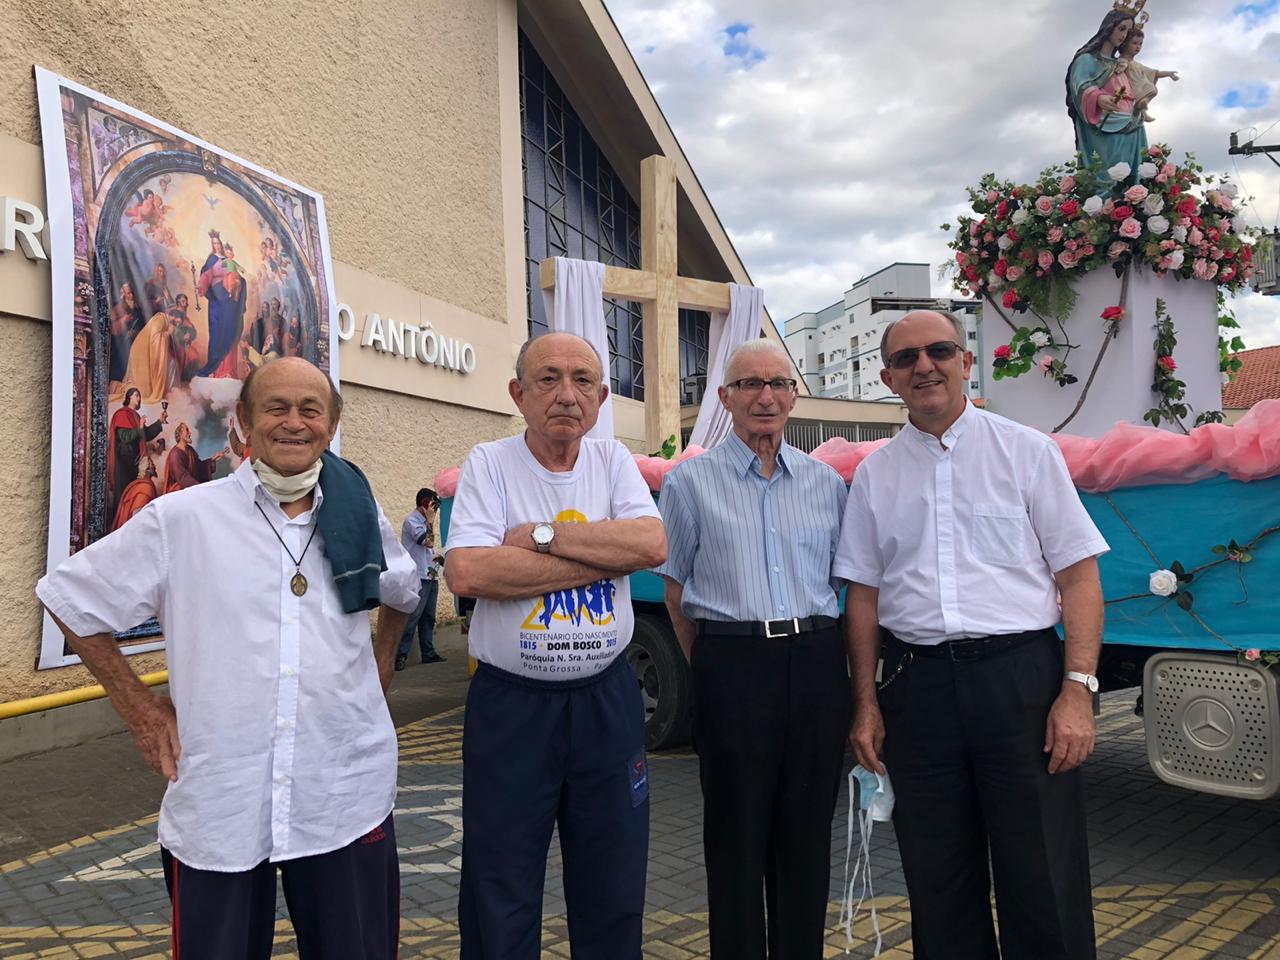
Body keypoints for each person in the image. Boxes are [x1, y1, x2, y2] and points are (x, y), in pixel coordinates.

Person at [37, 357, 420, 960]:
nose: (294, 422)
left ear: (332, 422)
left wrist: (384, 659)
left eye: (310, 409)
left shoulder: (358, 511)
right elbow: (69, 598)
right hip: (223, 799)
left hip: (342, 789)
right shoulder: (182, 518)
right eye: (276, 407)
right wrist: (139, 710)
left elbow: (404, 589)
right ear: (243, 420)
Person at [835, 310, 1108, 960]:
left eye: (938, 351)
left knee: (1042, 872)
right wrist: (866, 704)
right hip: (918, 688)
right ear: (888, 379)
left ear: (965, 361)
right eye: (906, 358)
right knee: (938, 876)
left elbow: (1078, 579)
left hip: (1020, 682)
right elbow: (863, 598)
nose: (924, 366)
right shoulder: (875, 474)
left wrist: (1077, 691)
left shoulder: (1027, 452)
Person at [444, 332, 667, 960]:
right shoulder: (490, 463)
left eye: (582, 380)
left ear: (600, 398)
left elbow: (650, 545)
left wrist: (539, 537)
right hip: (512, 709)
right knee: (500, 882)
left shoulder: (612, 460)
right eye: (548, 379)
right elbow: (469, 572)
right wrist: (602, 556)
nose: (566, 394)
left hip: (607, 701)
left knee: (613, 880)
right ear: (518, 394)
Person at [656, 339, 849, 960]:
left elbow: (838, 584)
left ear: (794, 395)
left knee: (807, 833)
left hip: (815, 662)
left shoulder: (826, 483)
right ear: (725, 397)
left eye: (778, 383)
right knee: (735, 836)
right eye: (749, 384)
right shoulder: (689, 483)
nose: (765, 396)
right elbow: (676, 594)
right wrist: (716, 665)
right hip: (732, 664)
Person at [1065, 8, 1146, 186]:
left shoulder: (1121, 64)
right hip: (1104, 125)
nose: (1124, 35)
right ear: (1109, 27)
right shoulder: (1087, 59)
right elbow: (1080, 84)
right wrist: (1099, 98)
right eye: (1121, 28)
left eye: (1128, 31)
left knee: (1132, 178)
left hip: (1133, 125)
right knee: (1107, 176)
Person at [395, 487, 445, 670]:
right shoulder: (412, 521)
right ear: (424, 504)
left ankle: (428, 653)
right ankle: (399, 655)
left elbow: (430, 549)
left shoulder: (425, 521)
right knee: (413, 616)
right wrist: (430, 521)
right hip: (418, 576)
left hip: (430, 575)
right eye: (433, 505)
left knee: (428, 617)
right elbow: (428, 542)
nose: (435, 509)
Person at [107, 387, 165, 520]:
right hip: (123, 462)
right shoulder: (122, 414)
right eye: (136, 395)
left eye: (139, 396)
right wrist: (140, 428)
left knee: (133, 494)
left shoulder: (135, 416)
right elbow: (125, 437)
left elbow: (145, 435)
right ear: (129, 397)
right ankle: (119, 523)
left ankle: (130, 522)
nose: (139, 398)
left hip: (134, 461)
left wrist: (159, 422)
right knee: (124, 494)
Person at [195, 230, 247, 377]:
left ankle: (229, 370)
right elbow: (205, 276)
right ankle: (216, 369)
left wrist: (239, 282)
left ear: (222, 244)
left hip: (230, 302)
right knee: (218, 332)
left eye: (218, 243)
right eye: (214, 244)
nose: (216, 246)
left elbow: (239, 276)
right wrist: (201, 287)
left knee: (230, 330)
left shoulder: (228, 261)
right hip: (217, 301)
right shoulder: (212, 260)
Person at [1114, 27, 1178, 123]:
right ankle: (1142, 108)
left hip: (1140, 88)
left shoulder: (1137, 65)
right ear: (1125, 43)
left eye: (1140, 44)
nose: (1138, 47)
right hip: (1130, 89)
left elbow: (1154, 73)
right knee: (1150, 88)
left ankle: (1143, 108)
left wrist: (1168, 74)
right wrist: (1121, 67)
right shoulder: (1122, 61)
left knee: (1153, 89)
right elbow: (1118, 69)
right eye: (1134, 43)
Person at [163, 422, 228, 493]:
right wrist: (200, 487)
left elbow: (199, 468)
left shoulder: (190, 450)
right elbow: (182, 477)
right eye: (187, 430)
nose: (190, 433)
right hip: (179, 492)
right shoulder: (175, 454)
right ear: (180, 434)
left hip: (192, 488)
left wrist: (213, 459)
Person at [108, 283, 145, 386]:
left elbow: (141, 325)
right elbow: (112, 327)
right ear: (123, 295)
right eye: (128, 293)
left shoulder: (137, 308)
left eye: (131, 293)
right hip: (120, 343)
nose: (131, 296)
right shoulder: (119, 307)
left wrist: (134, 332)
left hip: (134, 342)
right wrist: (124, 320)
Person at [111, 456, 159, 531]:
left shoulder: (138, 485)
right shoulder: (145, 487)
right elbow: (137, 515)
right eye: (152, 464)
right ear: (147, 469)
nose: (154, 466)